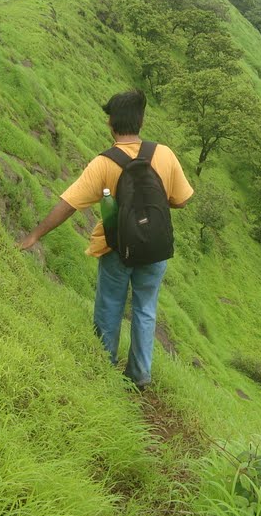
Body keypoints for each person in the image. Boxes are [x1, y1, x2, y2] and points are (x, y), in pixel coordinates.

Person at [18, 89, 193, 389]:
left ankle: (103, 366)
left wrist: (34, 235)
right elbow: (181, 200)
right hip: (155, 249)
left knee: (109, 306)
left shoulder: (103, 163)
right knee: (145, 309)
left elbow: (70, 204)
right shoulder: (164, 154)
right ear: (141, 121)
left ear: (111, 123)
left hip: (117, 249)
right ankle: (140, 376)